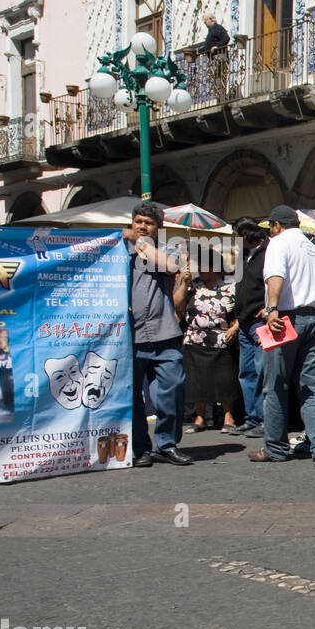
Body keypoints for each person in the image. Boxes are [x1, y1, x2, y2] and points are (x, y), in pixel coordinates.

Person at [249, 204, 315, 465]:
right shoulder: (313, 248)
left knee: (276, 384)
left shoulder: (278, 242)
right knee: (312, 386)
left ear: (276, 225)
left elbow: (275, 275)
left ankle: (275, 448)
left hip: (287, 318)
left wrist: (272, 308)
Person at [125, 200, 192, 467]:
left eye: (148, 223)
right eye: (138, 221)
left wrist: (140, 243)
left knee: (172, 389)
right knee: (133, 398)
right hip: (130, 336)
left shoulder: (169, 249)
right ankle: (141, 448)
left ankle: (166, 444)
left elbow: (168, 267)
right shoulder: (119, 250)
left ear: (158, 228)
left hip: (165, 334)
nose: (142, 226)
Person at [182, 244, 239, 433]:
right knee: (197, 380)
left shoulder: (230, 287)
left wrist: (236, 328)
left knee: (224, 379)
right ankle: (200, 418)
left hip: (221, 338)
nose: (201, 270)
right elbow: (178, 306)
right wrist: (183, 282)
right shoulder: (193, 286)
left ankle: (228, 417)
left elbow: (241, 312)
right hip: (195, 338)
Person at [233, 220, 268, 436]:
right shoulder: (241, 255)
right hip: (244, 321)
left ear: (246, 234)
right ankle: (252, 418)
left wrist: (267, 307)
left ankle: (266, 420)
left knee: (261, 370)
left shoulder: (268, 252)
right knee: (246, 372)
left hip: (259, 321)